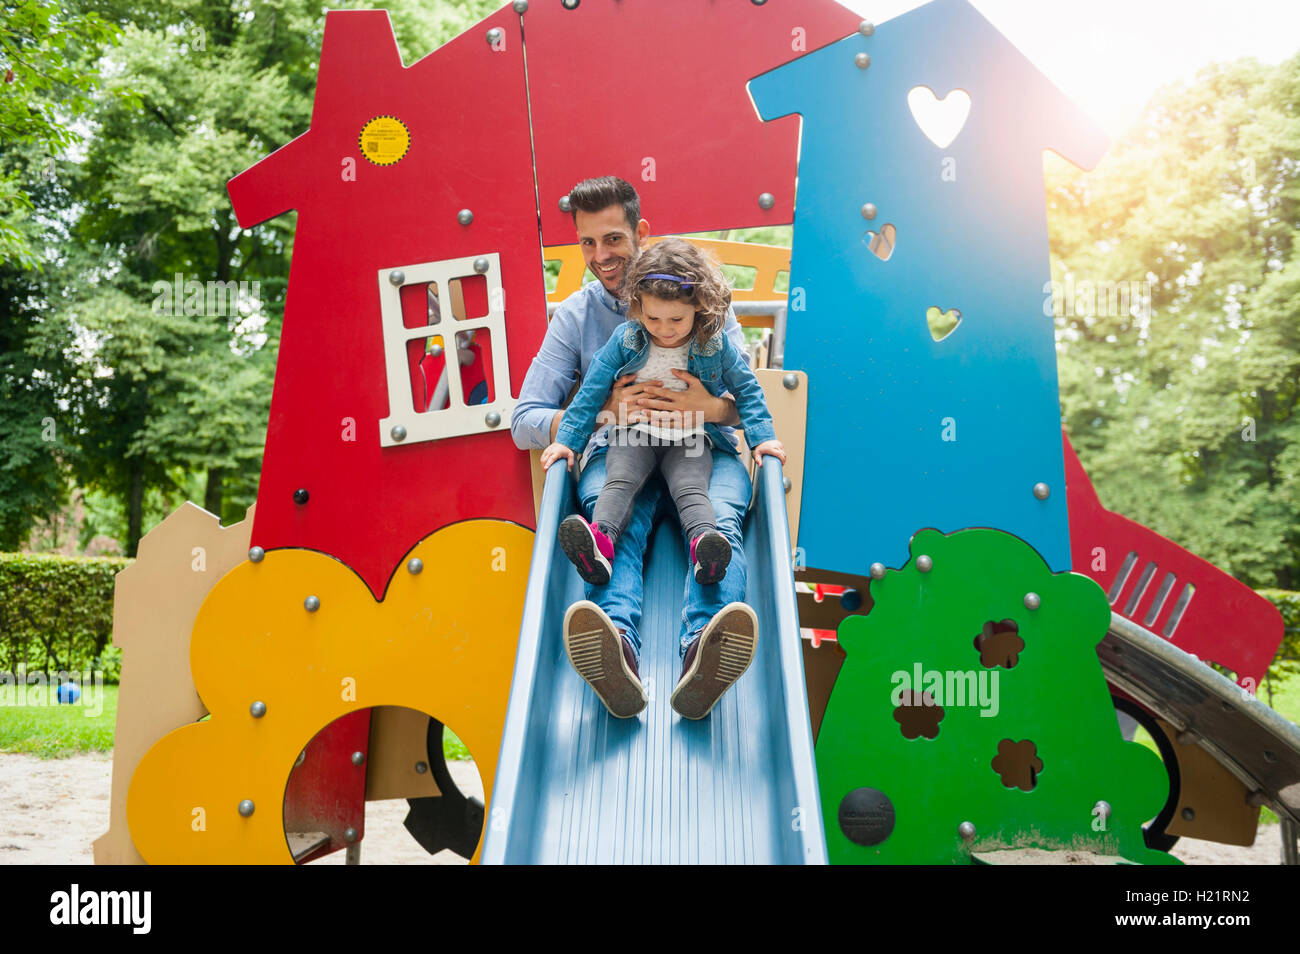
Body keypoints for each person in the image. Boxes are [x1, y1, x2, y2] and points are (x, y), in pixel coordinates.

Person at [511, 177, 776, 720]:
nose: (600, 256)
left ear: (641, 232)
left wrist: (711, 409)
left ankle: (705, 648)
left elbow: (743, 392)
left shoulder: (695, 297)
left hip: (702, 445)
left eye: (611, 239)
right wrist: (606, 410)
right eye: (587, 243)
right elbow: (524, 420)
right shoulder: (579, 319)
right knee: (616, 518)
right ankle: (617, 651)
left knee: (719, 516)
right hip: (622, 444)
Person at [540, 238, 785, 597]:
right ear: (638, 306)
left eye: (676, 319)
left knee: (691, 487)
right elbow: (592, 392)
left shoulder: (714, 344)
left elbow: (747, 389)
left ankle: (706, 548)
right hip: (633, 434)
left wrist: (762, 437)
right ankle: (600, 544)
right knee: (619, 479)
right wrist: (567, 442)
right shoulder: (626, 340)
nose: (664, 328)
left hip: (689, 437)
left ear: (698, 308)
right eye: (653, 317)